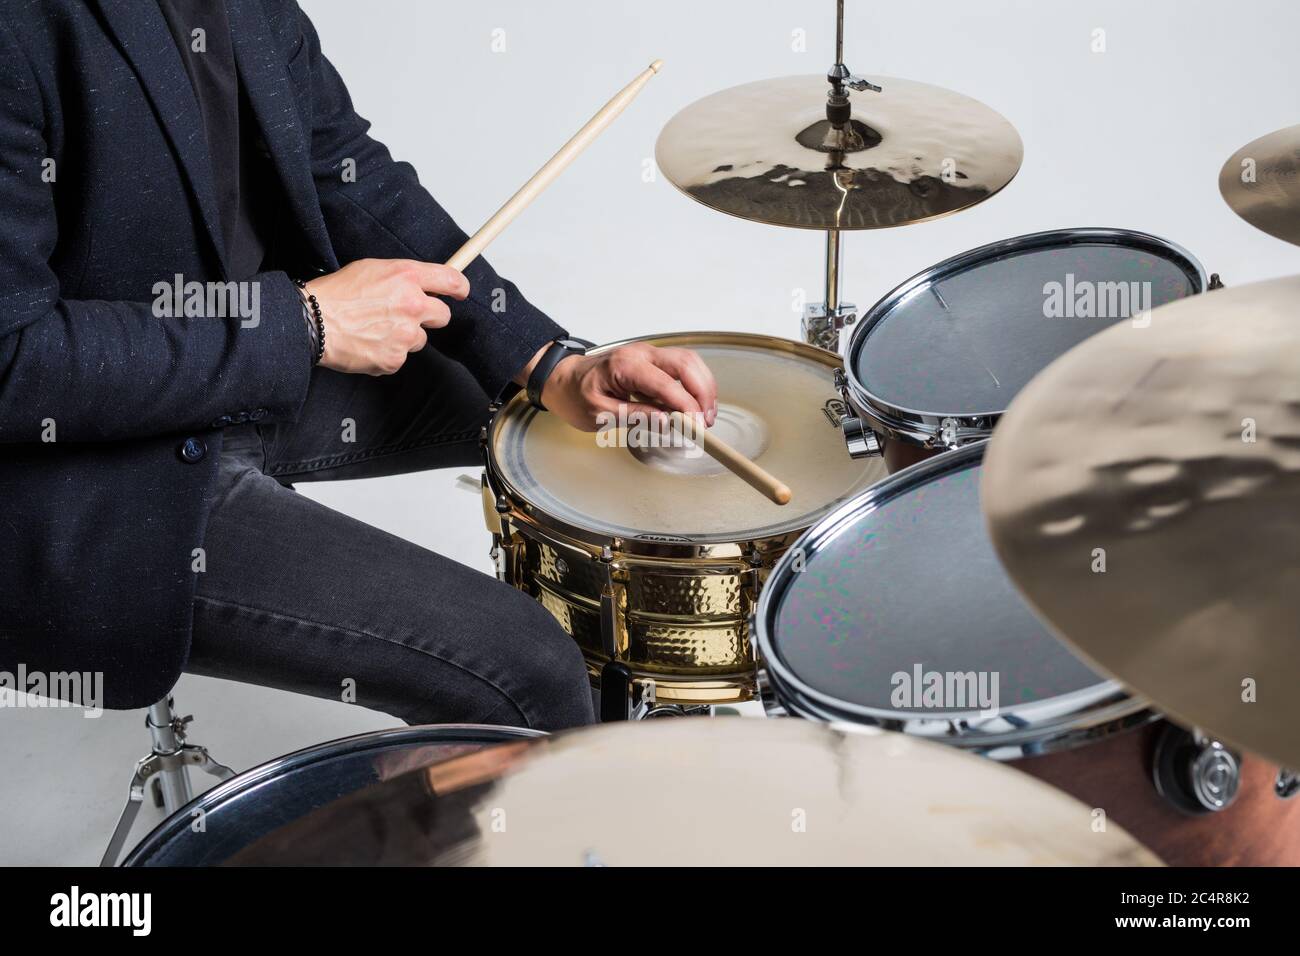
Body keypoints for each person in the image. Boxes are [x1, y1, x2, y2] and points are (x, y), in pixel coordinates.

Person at [0, 0, 717, 731]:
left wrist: (550, 364)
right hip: (94, 468)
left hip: (258, 370)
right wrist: (305, 323)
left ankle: (572, 752)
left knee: (593, 432)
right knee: (525, 668)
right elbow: (12, 357)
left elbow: (345, 171)